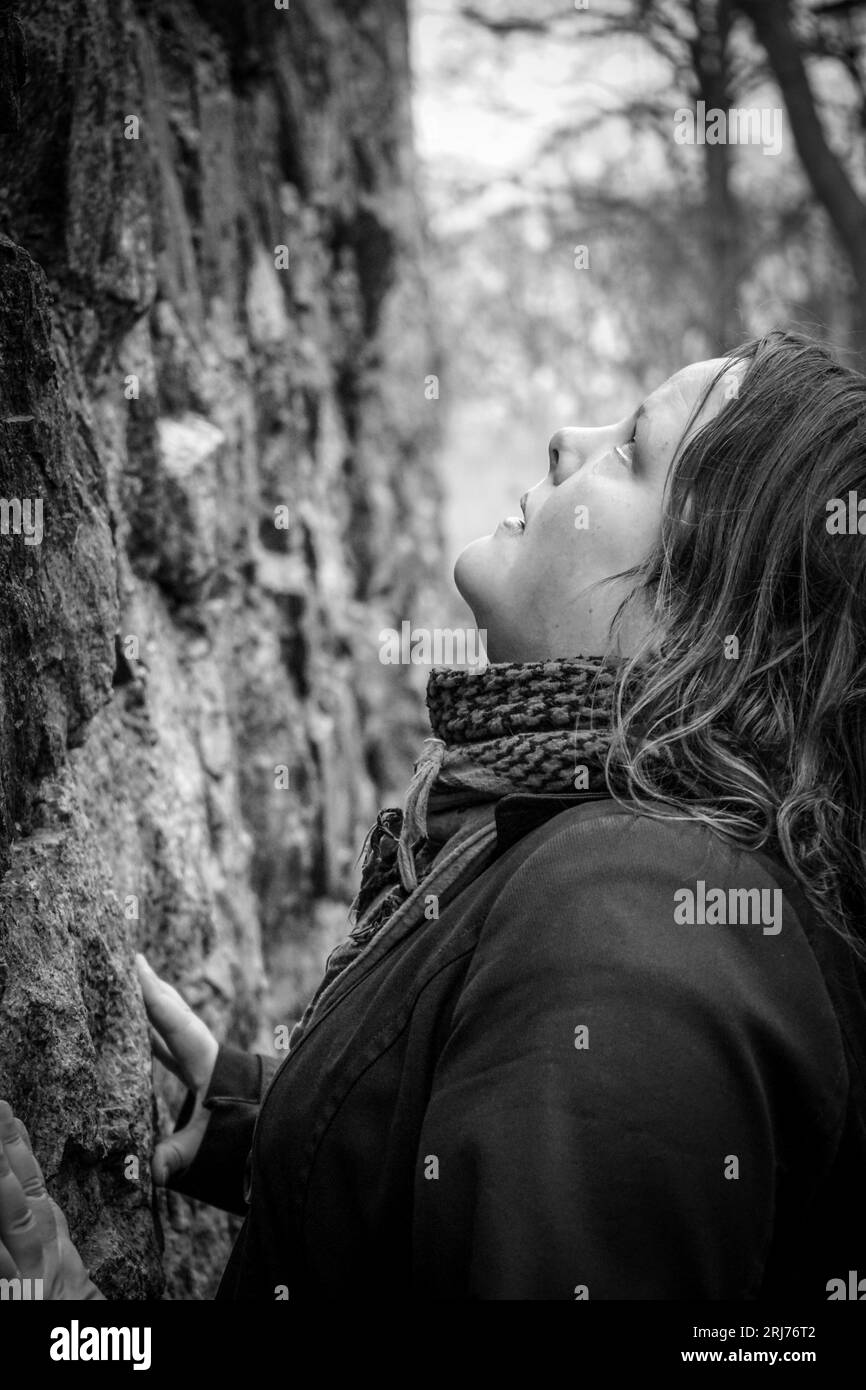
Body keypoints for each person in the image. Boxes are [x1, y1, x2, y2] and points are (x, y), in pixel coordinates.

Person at [2, 330, 866, 1300]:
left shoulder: (629, 932)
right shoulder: (651, 872)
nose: (561, 436)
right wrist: (280, 1125)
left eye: (629, 449)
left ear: (707, 627)